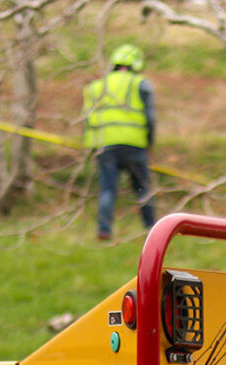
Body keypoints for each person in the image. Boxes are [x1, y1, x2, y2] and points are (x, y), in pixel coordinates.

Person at [82, 43, 156, 241]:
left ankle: (104, 230)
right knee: (143, 189)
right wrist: (150, 141)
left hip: (105, 145)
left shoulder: (96, 86)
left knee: (107, 189)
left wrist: (90, 145)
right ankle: (152, 231)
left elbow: (87, 118)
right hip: (134, 144)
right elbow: (150, 117)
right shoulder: (140, 84)